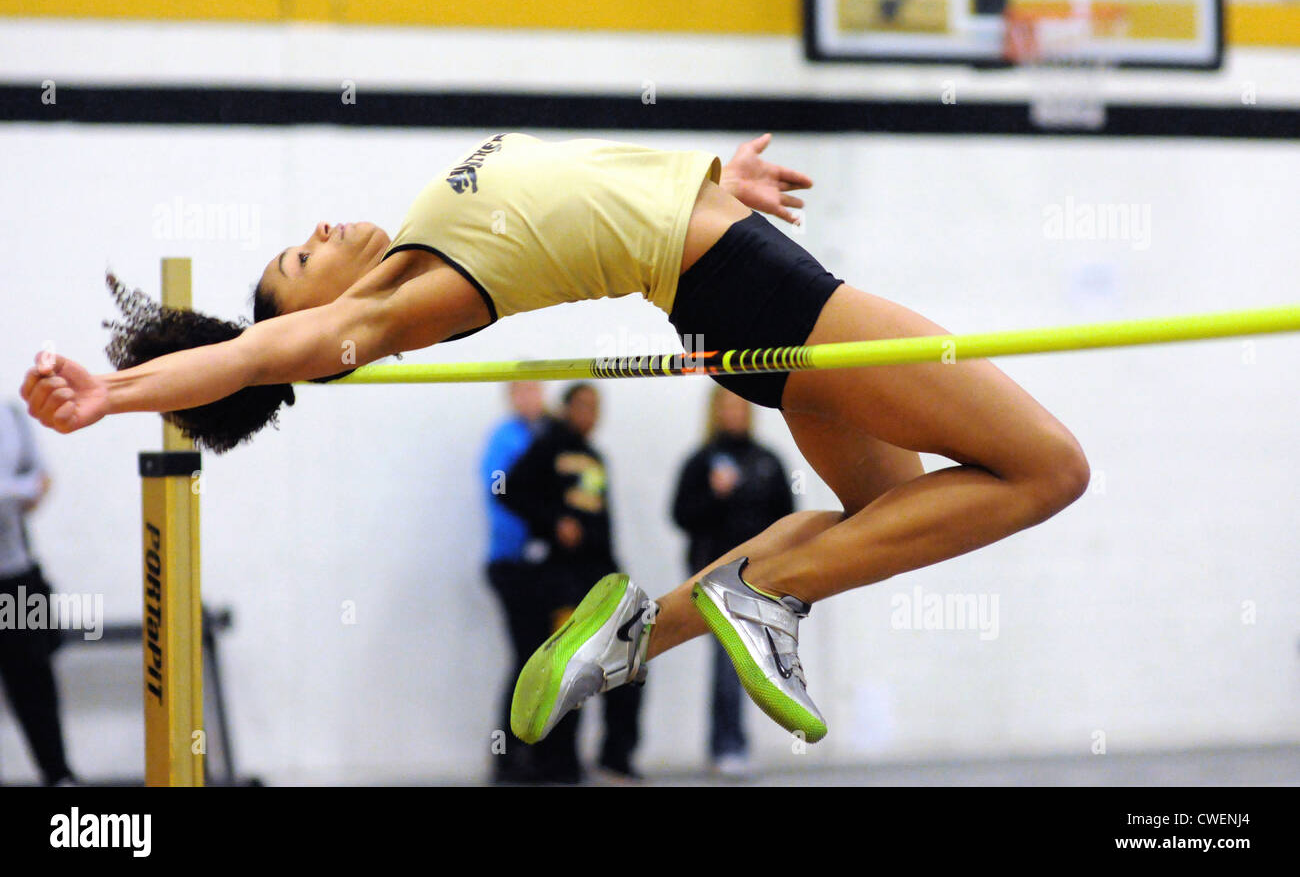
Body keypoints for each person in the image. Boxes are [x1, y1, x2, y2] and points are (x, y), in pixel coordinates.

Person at [20, 131, 1089, 748]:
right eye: (302, 263)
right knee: (1047, 468)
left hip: (726, 292)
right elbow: (255, 357)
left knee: (876, 521)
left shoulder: (428, 226)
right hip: (753, 293)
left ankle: (644, 628)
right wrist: (106, 394)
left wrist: (715, 180)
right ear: (322, 326)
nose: (315, 236)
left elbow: (594, 194)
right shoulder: (388, 310)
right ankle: (761, 593)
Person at [501, 382, 642, 783]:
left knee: (627, 662)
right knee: (565, 670)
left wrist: (619, 580)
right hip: (560, 577)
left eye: (596, 406)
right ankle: (557, 762)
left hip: (598, 576)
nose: (589, 413)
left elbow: (602, 523)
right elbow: (508, 490)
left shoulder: (595, 456)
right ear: (565, 409)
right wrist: (553, 523)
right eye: (581, 405)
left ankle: (616, 756)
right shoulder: (548, 446)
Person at [671, 387, 792, 776]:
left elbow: (789, 520)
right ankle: (727, 745)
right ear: (715, 411)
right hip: (715, 577)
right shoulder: (701, 462)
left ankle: (732, 743)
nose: (736, 414)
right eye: (728, 407)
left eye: (742, 406)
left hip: (761, 578)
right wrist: (715, 495)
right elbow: (681, 515)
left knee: (756, 663)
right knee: (730, 661)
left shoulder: (767, 461)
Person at [0, 399, 75, 786]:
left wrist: (19, 496)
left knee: (34, 683)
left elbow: (41, 479)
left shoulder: (10, 415)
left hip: (14, 574)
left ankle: (59, 775)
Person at [480, 380, 549, 784]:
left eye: (536, 391)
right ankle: (508, 755)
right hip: (512, 563)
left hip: (536, 562)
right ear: (511, 397)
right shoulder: (506, 439)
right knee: (525, 658)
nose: (532, 399)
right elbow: (501, 494)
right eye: (523, 392)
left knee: (537, 660)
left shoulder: (542, 434)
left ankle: (530, 752)